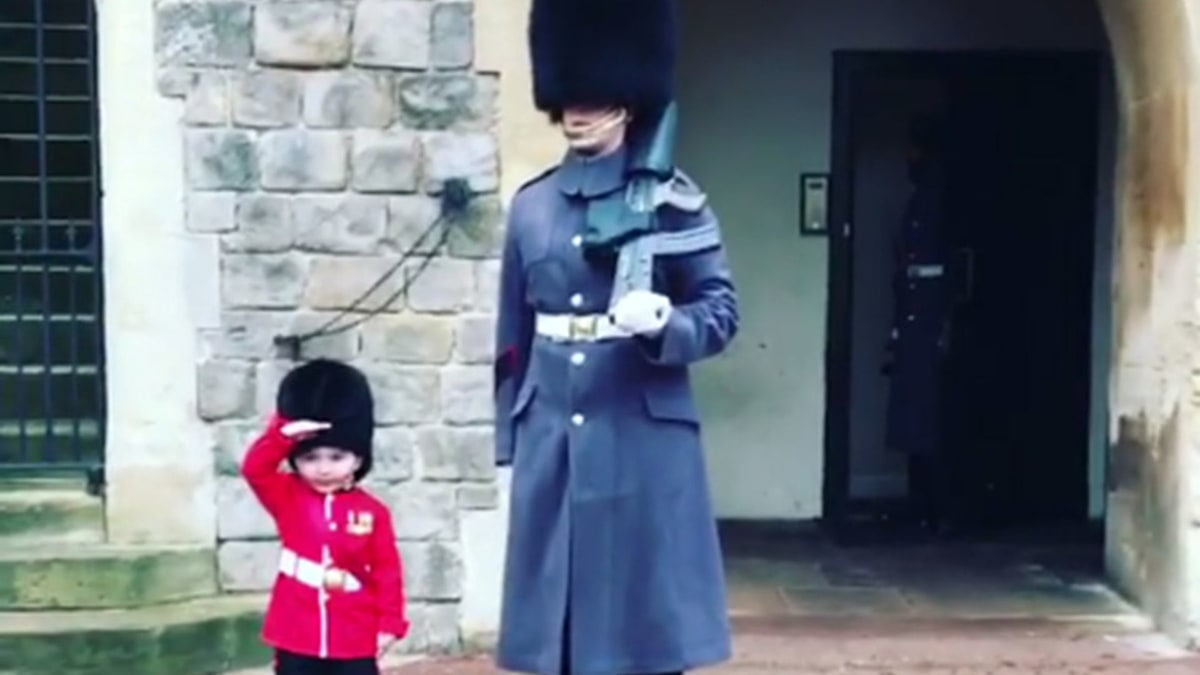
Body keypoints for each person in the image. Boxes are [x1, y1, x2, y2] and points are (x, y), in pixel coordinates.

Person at [493, 1, 739, 673]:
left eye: (597, 97)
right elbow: (512, 335)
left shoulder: (673, 199)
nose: (578, 109)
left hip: (640, 430)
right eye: (569, 96)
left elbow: (720, 311)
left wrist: (666, 323)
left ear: (628, 103)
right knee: (558, 628)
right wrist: (509, 435)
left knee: (642, 631)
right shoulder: (533, 205)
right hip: (554, 432)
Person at [241, 358, 409, 675]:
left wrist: (390, 621)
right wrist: (283, 435)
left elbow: (387, 570)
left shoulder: (373, 512)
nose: (323, 468)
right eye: (310, 457)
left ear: (357, 458)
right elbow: (255, 469)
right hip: (296, 629)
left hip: (353, 631)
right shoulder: (287, 496)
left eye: (336, 457)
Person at [884, 116, 955, 533]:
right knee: (914, 421)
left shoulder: (936, 202)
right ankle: (920, 504)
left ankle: (935, 508)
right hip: (915, 319)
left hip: (928, 323)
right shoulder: (920, 201)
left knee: (929, 421)